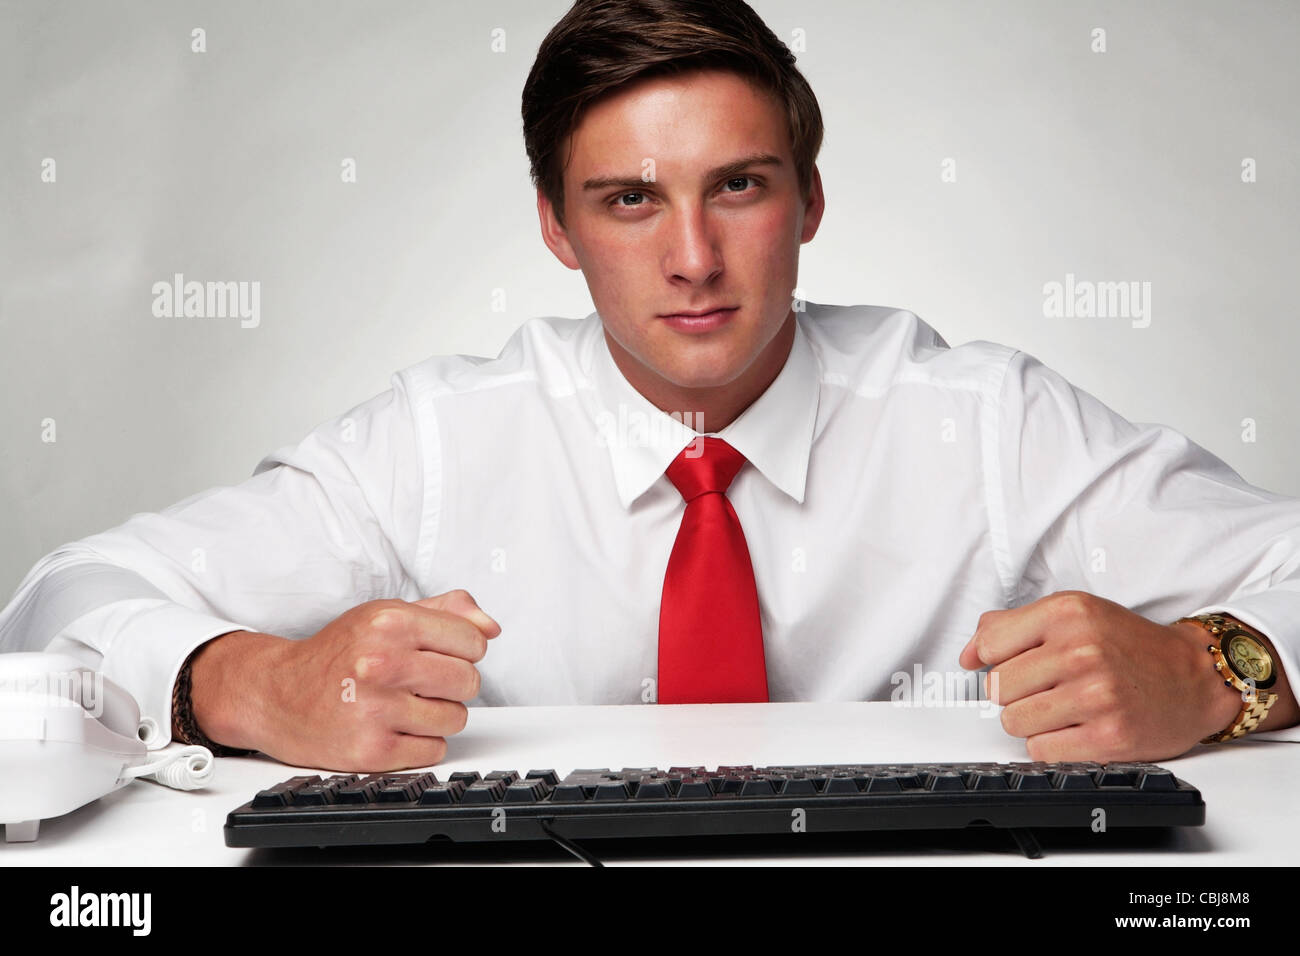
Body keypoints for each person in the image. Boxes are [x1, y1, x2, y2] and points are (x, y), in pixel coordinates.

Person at [2, 0, 1297, 773]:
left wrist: (1210, 668)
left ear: (810, 199)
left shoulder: (985, 420)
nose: (692, 257)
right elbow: (61, 603)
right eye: (629, 200)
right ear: (558, 227)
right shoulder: (440, 441)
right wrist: (252, 686)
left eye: (738, 184)